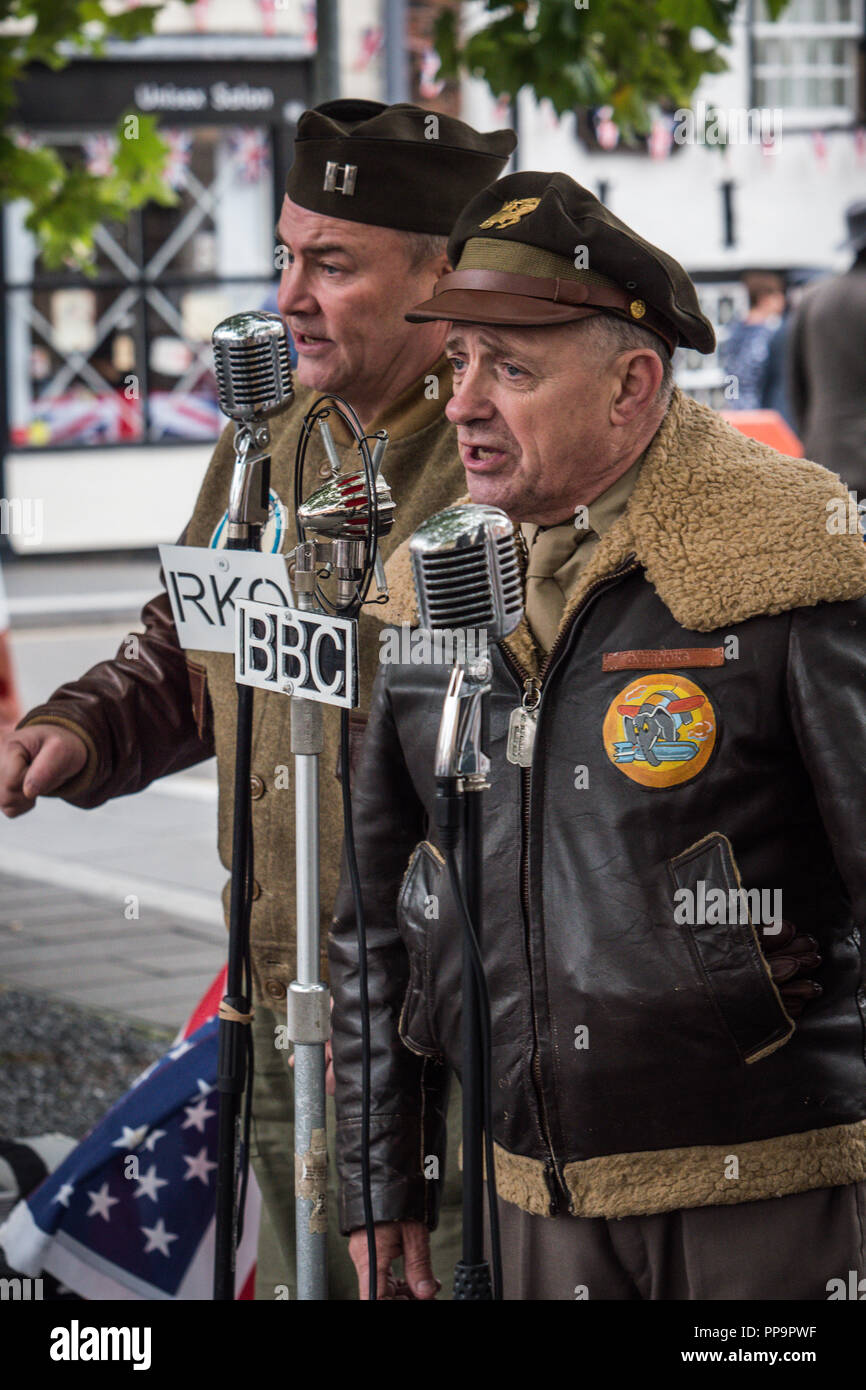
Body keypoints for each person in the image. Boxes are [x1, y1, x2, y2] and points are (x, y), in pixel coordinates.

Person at [0, 99, 516, 1300]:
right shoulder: (268, 427)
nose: (287, 295)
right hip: (276, 978)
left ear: (440, 277)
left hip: (436, 1022)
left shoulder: (495, 444)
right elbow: (196, 634)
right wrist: (75, 730)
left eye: (330, 264)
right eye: (285, 256)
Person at [329, 170, 866, 1301]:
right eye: (459, 359)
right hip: (528, 1198)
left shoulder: (791, 567)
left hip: (768, 1192)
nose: (462, 400)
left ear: (631, 385)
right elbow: (374, 916)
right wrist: (381, 1187)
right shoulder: (431, 588)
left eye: (507, 368)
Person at [788, 199, 866, 496]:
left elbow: (796, 386)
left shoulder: (814, 299)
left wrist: (812, 439)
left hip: (830, 458)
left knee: (841, 540)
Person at [719, 269, 786, 411]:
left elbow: (730, 374)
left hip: (736, 407)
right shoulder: (767, 334)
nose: (782, 300)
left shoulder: (734, 329)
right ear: (765, 298)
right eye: (778, 295)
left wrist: (732, 402)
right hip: (761, 409)